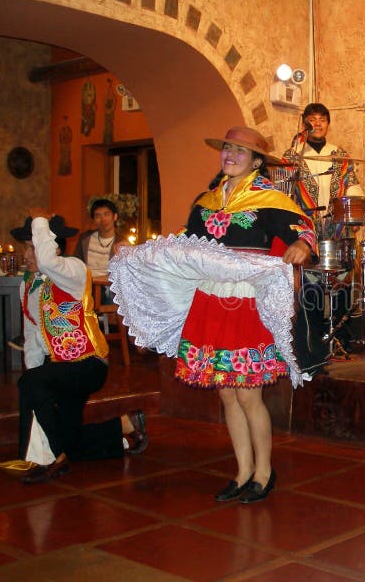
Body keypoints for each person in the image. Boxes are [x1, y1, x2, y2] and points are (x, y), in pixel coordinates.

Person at [108, 126, 316, 504]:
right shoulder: (204, 202)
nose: (230, 154)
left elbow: (304, 227)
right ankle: (241, 471)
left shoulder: (270, 200)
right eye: (227, 148)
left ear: (256, 162)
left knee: (249, 395)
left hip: (246, 300)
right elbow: (184, 245)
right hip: (211, 299)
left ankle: (264, 472)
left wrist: (302, 244)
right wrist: (137, 251)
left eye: (241, 150)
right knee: (226, 394)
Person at [10, 210, 147, 485]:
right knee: (66, 435)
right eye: (26, 249)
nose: (26, 256)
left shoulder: (72, 269)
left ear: (52, 248)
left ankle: (52, 458)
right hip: (58, 368)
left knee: (30, 385)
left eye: (32, 248)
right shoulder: (28, 284)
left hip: (88, 364)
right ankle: (123, 426)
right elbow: (32, 335)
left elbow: (48, 263)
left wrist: (40, 221)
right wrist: (38, 384)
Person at [278, 103, 363, 355]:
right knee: (310, 286)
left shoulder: (340, 154)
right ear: (305, 122)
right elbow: (282, 191)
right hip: (306, 230)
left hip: (336, 228)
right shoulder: (293, 155)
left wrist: (353, 208)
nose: (317, 124)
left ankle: (341, 337)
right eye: (312, 119)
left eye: (322, 119)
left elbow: (352, 185)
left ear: (328, 123)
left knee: (342, 283)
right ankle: (313, 339)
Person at [73, 198, 127, 278]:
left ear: (115, 217)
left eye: (106, 214)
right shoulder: (84, 239)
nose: (103, 220)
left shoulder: (122, 243)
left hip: (108, 288)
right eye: (98, 216)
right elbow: (76, 264)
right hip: (86, 286)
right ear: (93, 220)